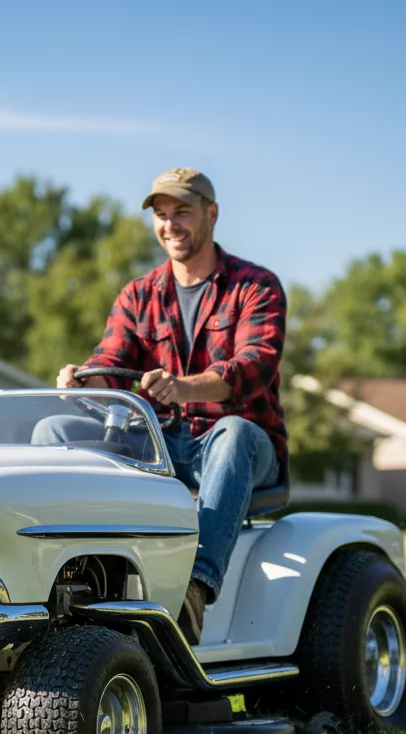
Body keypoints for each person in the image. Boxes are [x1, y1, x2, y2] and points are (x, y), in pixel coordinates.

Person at [35, 167, 287, 645]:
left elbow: (256, 366)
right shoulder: (138, 294)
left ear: (212, 215)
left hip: (238, 444)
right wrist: (83, 380)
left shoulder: (255, 286)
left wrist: (185, 388)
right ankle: (68, 582)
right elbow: (111, 360)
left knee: (232, 432)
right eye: (162, 215)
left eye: (183, 213)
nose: (170, 225)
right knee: (53, 431)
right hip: (160, 443)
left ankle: (194, 589)